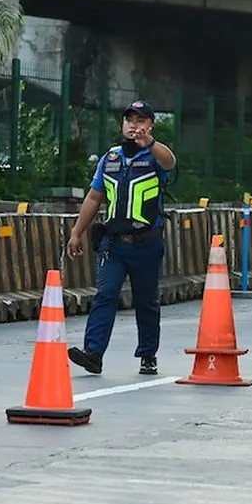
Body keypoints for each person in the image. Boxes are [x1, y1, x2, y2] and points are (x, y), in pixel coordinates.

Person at [66, 100, 176, 376]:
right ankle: (93, 353)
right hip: (114, 244)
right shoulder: (110, 158)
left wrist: (150, 143)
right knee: (105, 294)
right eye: (129, 121)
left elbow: (170, 162)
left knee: (145, 300)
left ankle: (147, 354)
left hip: (147, 242)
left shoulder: (155, 157)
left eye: (140, 121)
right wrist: (77, 232)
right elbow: (94, 197)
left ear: (150, 126)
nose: (134, 126)